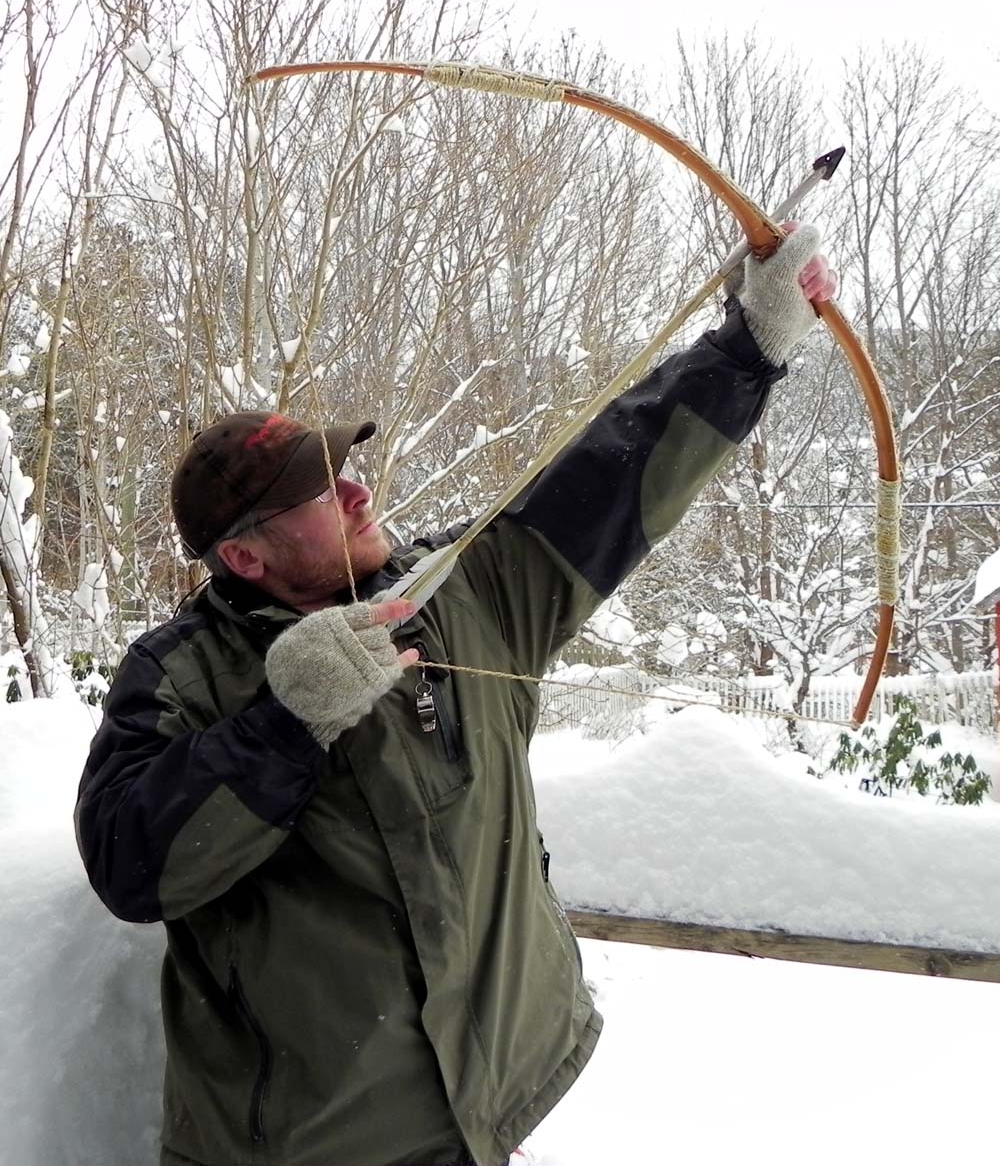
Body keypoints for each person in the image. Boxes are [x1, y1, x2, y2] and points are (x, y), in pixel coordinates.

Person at [75, 224, 837, 1166]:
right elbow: (128, 863)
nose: (355, 492)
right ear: (245, 555)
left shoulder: (465, 592)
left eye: (343, 467)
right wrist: (283, 724)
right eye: (317, 490)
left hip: (484, 1111)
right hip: (310, 1148)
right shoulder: (179, 673)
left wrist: (747, 351)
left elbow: (610, 475)